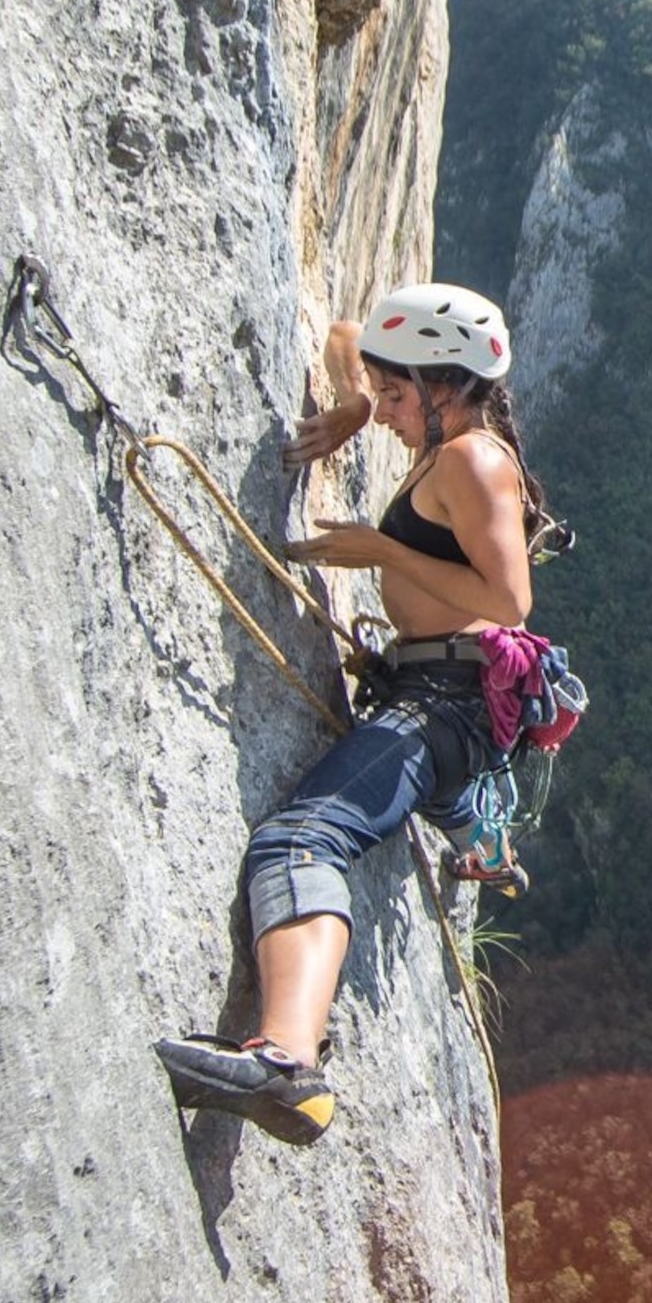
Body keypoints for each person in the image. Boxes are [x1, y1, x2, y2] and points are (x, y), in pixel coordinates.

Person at [154, 281, 553, 1146]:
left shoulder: (473, 461)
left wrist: (381, 548)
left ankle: (289, 1064)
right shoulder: (444, 430)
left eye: (401, 396)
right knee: (450, 789)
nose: (390, 417)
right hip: (441, 695)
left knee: (301, 839)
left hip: (443, 704)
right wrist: (354, 398)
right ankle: (481, 833)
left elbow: (510, 600)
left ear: (446, 387)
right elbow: (345, 333)